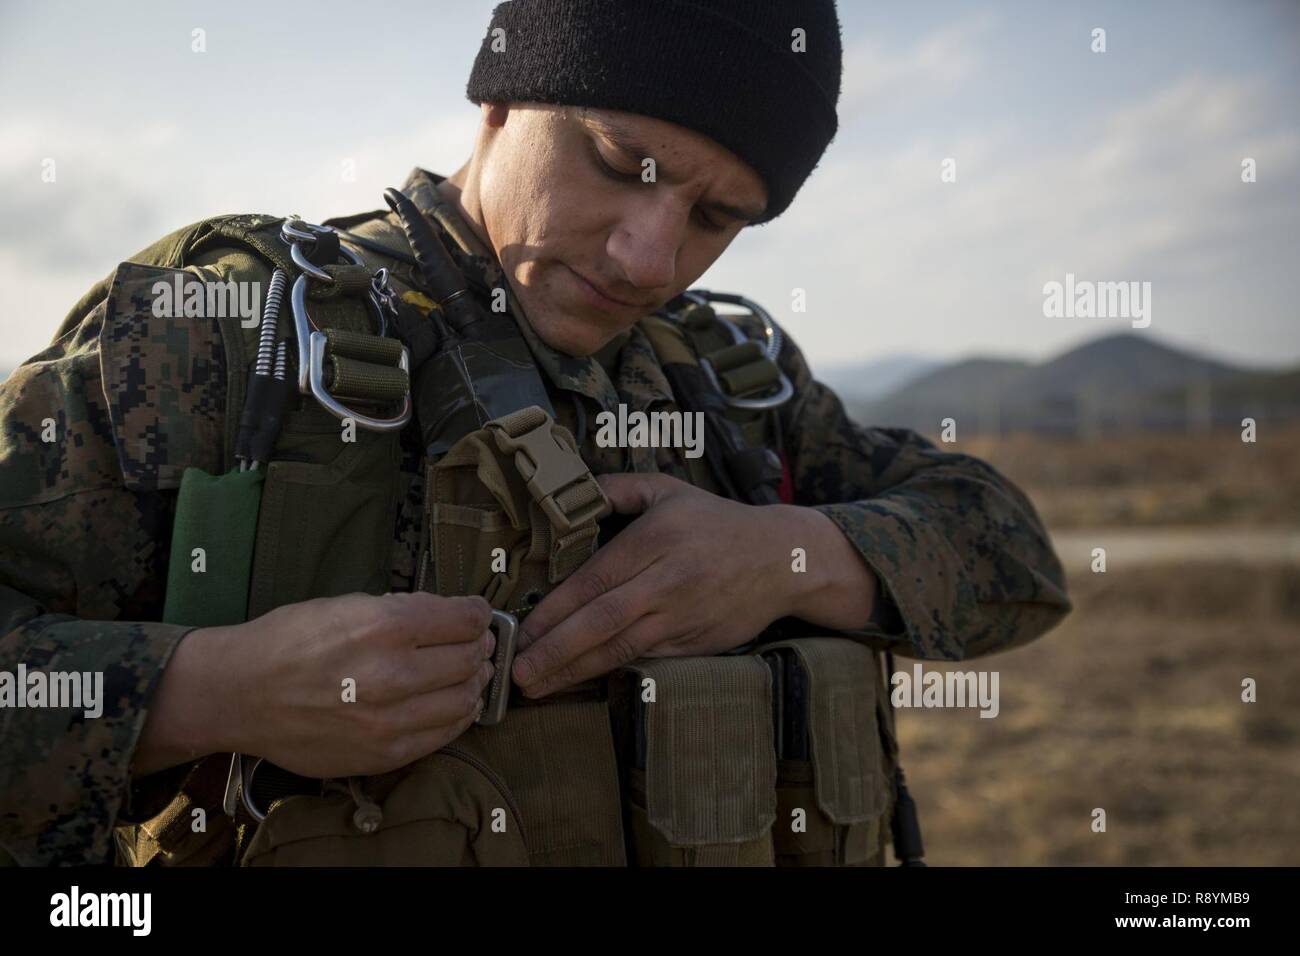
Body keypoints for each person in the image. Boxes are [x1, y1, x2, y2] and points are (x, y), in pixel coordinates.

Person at [0, 0, 1070, 867]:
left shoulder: (730, 378)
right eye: (620, 161)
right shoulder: (231, 335)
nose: (648, 257)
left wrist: (791, 557)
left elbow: (1011, 554)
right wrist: (213, 688)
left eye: (715, 218)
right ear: (505, 95)